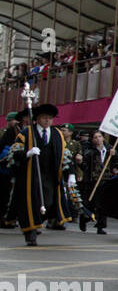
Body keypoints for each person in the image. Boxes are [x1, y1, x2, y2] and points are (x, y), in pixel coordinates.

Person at [9, 103, 70, 245]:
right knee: (31, 203)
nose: (47, 121)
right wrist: (27, 153)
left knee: (48, 202)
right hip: (31, 175)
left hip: (49, 174)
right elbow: (14, 154)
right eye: (44, 118)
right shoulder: (26, 133)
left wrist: (70, 173)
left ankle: (37, 222)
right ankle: (30, 233)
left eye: (50, 118)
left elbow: (66, 155)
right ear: (37, 119)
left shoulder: (57, 134)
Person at [80, 130, 118, 234]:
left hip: (105, 180)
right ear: (92, 140)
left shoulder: (110, 150)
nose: (98, 139)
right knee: (90, 202)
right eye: (95, 137)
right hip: (92, 181)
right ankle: (84, 218)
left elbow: (117, 162)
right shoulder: (89, 152)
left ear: (103, 138)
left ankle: (100, 226)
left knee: (103, 204)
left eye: (99, 136)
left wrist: (114, 156)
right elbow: (84, 165)